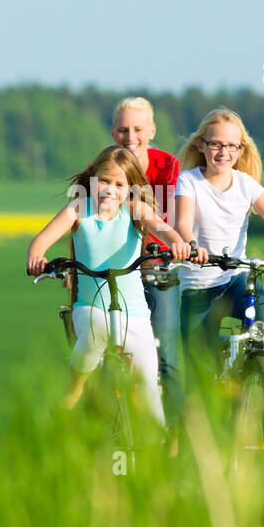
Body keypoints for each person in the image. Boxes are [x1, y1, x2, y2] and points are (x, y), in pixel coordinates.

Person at [27, 145, 190, 427]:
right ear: (92, 178)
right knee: (93, 336)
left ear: (130, 188)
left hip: (134, 312)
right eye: (104, 181)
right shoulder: (80, 208)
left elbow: (161, 228)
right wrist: (36, 257)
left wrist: (176, 241)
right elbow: (41, 240)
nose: (109, 190)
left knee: (151, 389)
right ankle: (75, 388)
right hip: (90, 307)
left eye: (119, 184)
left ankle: (161, 447)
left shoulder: (134, 209)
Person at [174, 107, 264, 408]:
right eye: (216, 144)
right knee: (199, 374)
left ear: (241, 150)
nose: (223, 152)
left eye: (231, 146)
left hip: (234, 279)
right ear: (202, 144)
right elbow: (183, 225)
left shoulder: (246, 185)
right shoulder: (189, 181)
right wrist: (191, 246)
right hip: (198, 285)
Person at [109, 97, 183, 426]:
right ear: (113, 132)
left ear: (151, 131)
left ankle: (177, 436)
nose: (130, 137)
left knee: (165, 352)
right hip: (118, 265)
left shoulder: (167, 165)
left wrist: (163, 249)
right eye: (123, 130)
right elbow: (89, 219)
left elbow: (167, 219)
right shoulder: (105, 168)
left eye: (138, 129)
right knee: (106, 346)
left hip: (157, 263)